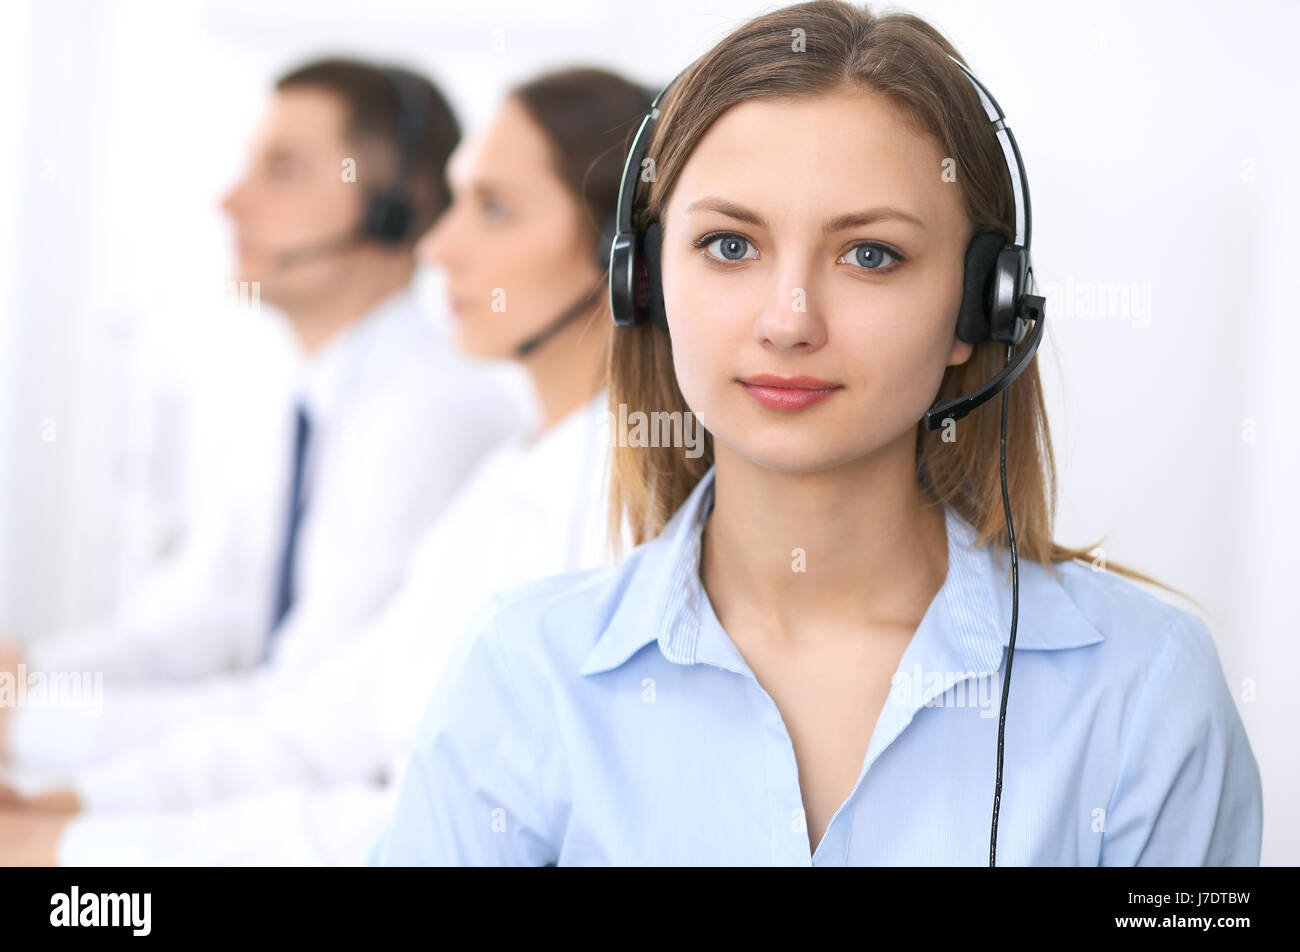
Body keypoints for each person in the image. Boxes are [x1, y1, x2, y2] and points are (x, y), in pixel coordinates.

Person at [371, 0, 1263, 866]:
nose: (789, 321)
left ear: (978, 308)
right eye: (729, 245)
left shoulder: (1145, 691)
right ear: (644, 282)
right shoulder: (524, 674)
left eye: (869, 254)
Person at [0, 68, 649, 865]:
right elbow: (320, 716)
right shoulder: (508, 477)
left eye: (494, 209)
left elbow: (453, 818)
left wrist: (75, 837)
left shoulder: (591, 488)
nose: (440, 247)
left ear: (619, 253)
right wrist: (64, 809)